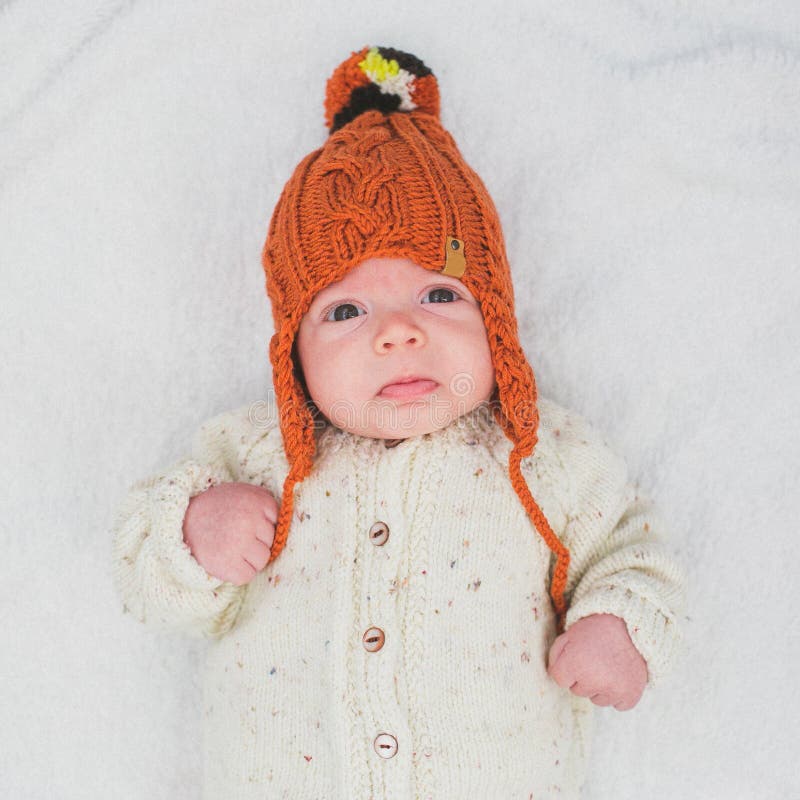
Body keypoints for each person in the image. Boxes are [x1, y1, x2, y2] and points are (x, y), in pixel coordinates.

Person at [112, 45, 687, 799]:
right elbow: (142, 576)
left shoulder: (543, 453)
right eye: (346, 311)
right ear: (293, 350)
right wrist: (191, 534)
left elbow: (632, 551)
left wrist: (621, 628)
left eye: (440, 296)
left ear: (497, 321)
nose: (398, 333)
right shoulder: (257, 453)